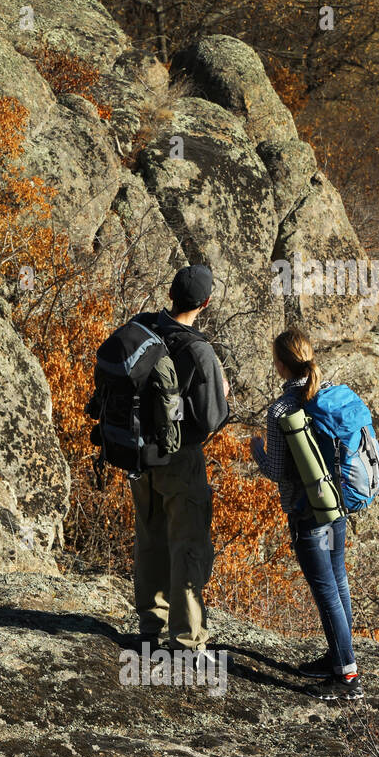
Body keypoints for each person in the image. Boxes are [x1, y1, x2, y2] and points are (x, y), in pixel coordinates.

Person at [250, 328, 363, 700]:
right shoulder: (329, 393)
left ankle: (346, 677)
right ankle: (338, 657)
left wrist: (256, 449)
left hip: (306, 514)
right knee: (338, 581)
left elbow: (277, 470)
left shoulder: (282, 409)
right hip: (336, 505)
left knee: (325, 589)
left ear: (281, 365)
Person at [129, 265, 231, 652]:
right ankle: (188, 639)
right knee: (187, 545)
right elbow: (210, 418)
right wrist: (222, 394)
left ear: (171, 294)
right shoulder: (200, 350)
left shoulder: (142, 327)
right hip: (179, 459)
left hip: (139, 455)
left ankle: (150, 626)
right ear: (204, 304)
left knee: (150, 538)